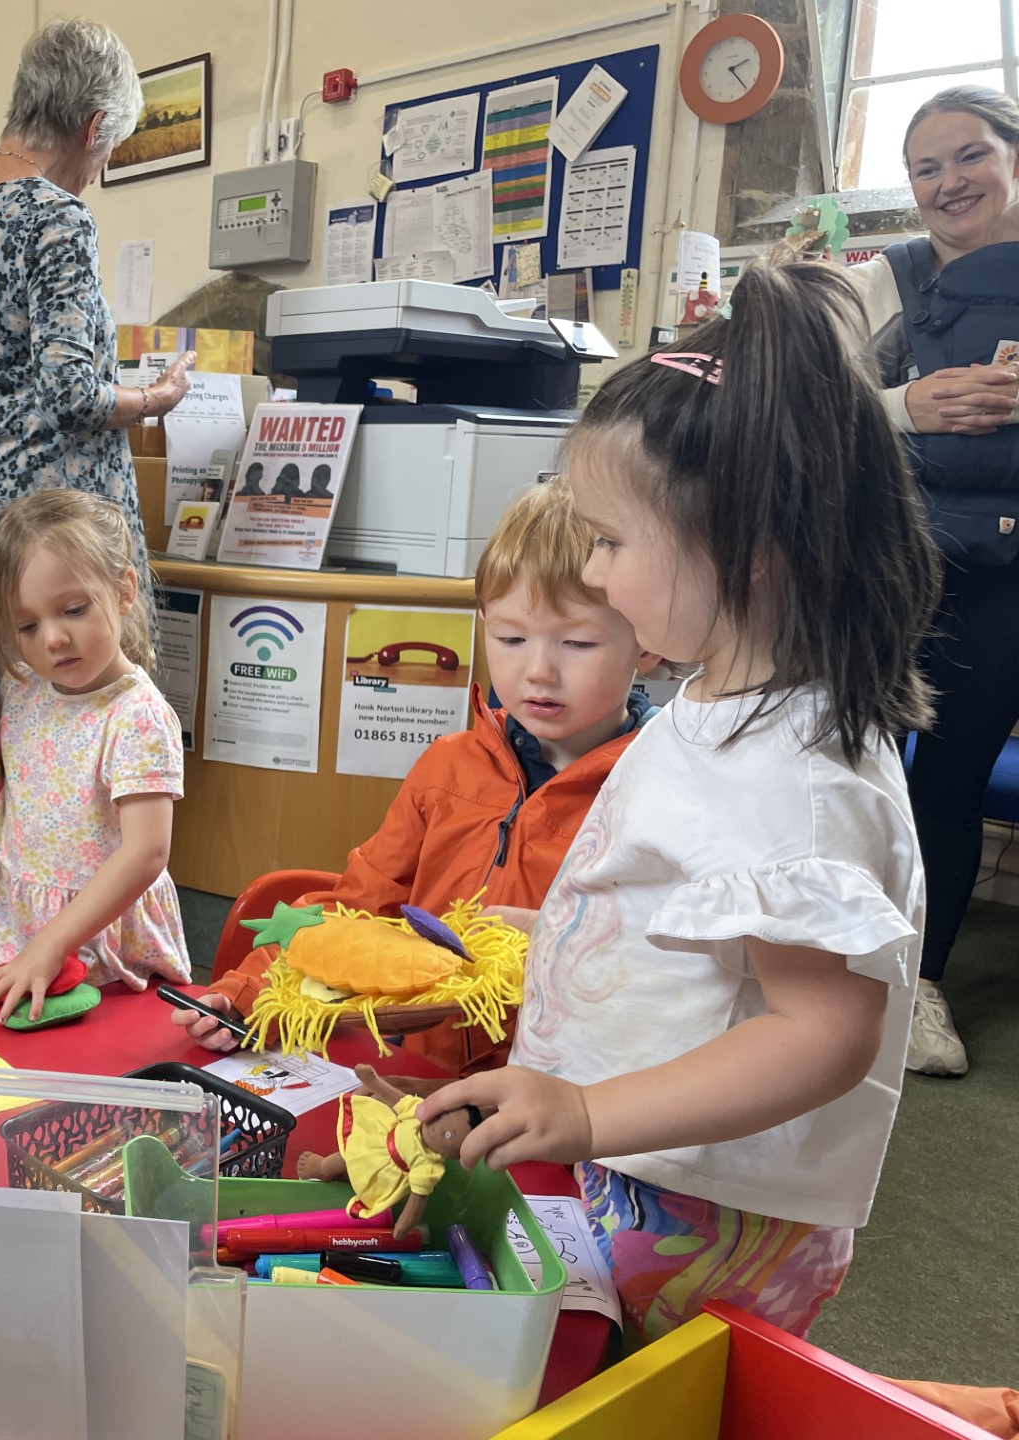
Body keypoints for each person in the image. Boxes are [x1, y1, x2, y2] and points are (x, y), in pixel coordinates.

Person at [417, 253, 941, 1349]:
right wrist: (564, 931)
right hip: (650, 1176)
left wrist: (587, 1113)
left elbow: (824, 1030)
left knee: (618, 1388)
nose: (596, 578)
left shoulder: (795, 782)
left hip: (700, 1206)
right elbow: (705, 917)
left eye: (610, 544)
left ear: (746, 555)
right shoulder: (715, 698)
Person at [174, 481, 662, 1074]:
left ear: (650, 642)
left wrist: (558, 936)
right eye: (510, 638)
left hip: (568, 1098)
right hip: (419, 1078)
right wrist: (249, 995)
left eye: (578, 643)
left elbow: (669, 971)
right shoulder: (449, 766)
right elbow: (356, 911)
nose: (538, 671)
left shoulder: (661, 789)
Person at [0, 17, 196, 657]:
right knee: (78, 743)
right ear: (94, 126)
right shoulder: (56, 216)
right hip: (52, 548)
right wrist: (155, 397)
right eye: (107, 151)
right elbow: (71, 393)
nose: (97, 173)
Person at [847, 86, 1019, 1076]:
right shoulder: (888, 280)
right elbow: (806, 404)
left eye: (970, 156)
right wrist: (910, 403)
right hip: (887, 557)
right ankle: (805, 966)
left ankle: (921, 986)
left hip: (1003, 572)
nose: (948, 182)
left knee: (947, 781)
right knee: (843, 760)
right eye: (926, 166)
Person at [0, 490, 192, 1023]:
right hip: (11, 913)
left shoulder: (136, 716)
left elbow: (147, 852)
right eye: (27, 626)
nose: (53, 639)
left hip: (97, 935)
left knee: (89, 1076)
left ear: (124, 589)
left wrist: (51, 944)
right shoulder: (25, 687)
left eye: (73, 610)